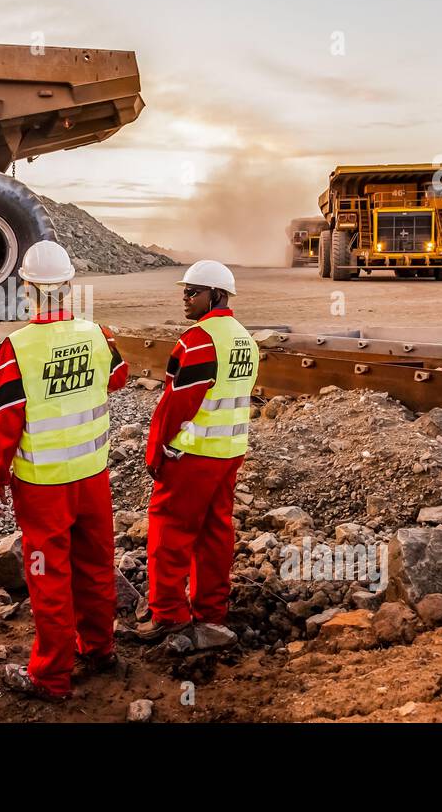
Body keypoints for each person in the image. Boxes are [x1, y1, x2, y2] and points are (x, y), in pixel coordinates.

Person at [0, 240, 129, 701]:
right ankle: (100, 648)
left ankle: (50, 675)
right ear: (67, 287)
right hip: (92, 477)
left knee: (48, 578)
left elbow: (1, 422)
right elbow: (118, 377)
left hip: (44, 485)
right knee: (95, 565)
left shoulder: (15, 350)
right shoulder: (97, 334)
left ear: (26, 288)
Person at [137, 260, 256, 642]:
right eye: (183, 291)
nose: (184, 299)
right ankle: (210, 612)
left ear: (215, 296)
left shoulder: (200, 340)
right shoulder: (244, 339)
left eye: (192, 292)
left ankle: (169, 614)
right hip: (229, 452)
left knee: (170, 530)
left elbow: (178, 404)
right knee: (215, 532)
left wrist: (158, 450)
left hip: (193, 454)